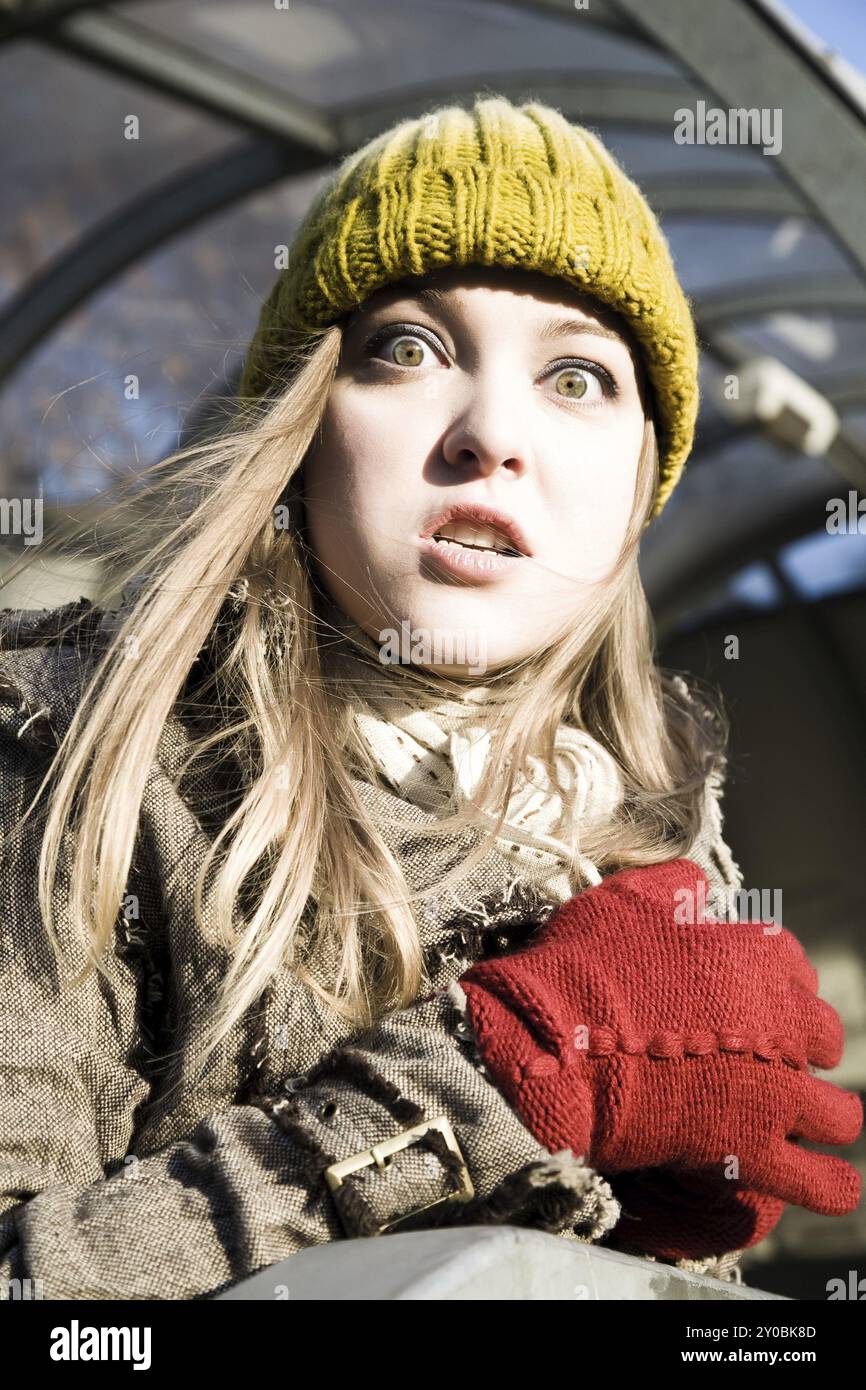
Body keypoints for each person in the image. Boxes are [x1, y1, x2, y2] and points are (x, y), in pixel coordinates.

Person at [0, 94, 860, 1301]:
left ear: (635, 485)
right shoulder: (69, 749)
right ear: (301, 427)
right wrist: (493, 1078)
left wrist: (657, 1249)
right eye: (405, 348)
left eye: (576, 376)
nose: (491, 432)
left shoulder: (658, 826)